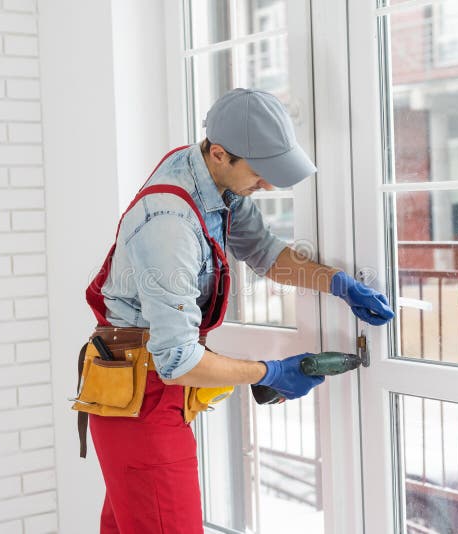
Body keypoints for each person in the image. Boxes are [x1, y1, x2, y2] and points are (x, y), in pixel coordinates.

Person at [81, 88, 394, 534]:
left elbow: (264, 252)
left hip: (141, 390)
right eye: (260, 172)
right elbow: (178, 361)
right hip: (141, 400)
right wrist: (271, 371)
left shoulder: (210, 178)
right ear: (220, 153)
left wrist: (338, 284)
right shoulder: (169, 225)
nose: (267, 184)